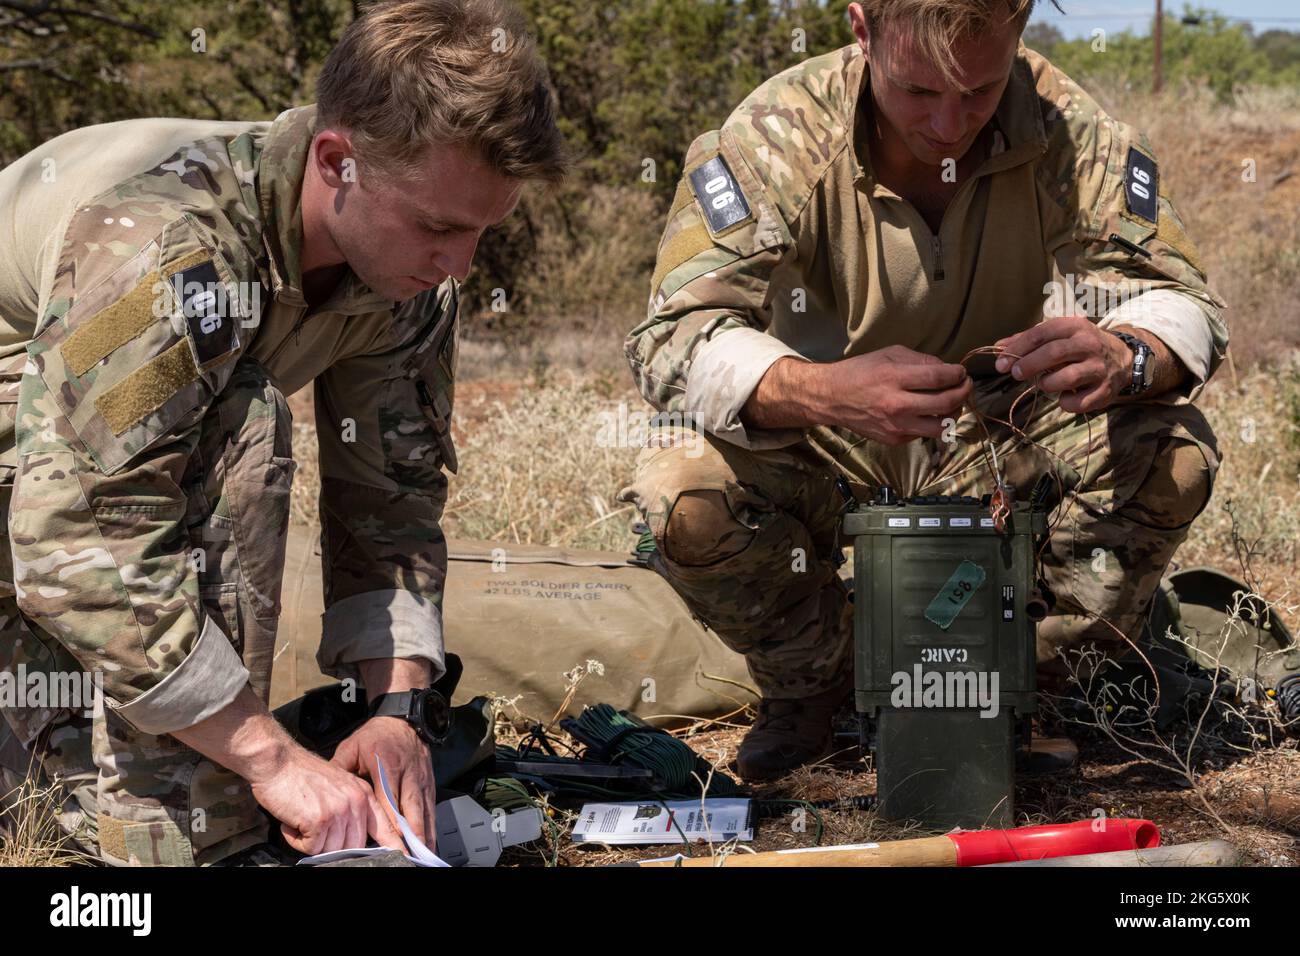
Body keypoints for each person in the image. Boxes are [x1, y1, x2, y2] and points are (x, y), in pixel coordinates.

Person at [0, 0, 567, 864]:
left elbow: (394, 500)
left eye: (484, 231)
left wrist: (398, 710)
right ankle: (182, 835)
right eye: (440, 227)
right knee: (240, 424)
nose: (461, 266)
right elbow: (75, 532)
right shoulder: (166, 249)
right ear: (338, 162)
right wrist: (272, 764)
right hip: (41, 506)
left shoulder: (405, 274)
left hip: (51, 519)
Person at [619, 0, 1225, 781]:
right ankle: (818, 687)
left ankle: (1030, 683)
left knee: (1170, 456)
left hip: (1000, 430)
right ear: (861, 29)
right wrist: (814, 390)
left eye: (978, 91)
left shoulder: (1070, 130)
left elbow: (1183, 303)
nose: (948, 125)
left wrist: (1129, 354)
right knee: (683, 489)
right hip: (822, 437)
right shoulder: (778, 132)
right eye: (916, 90)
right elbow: (669, 337)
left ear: (1021, 30)